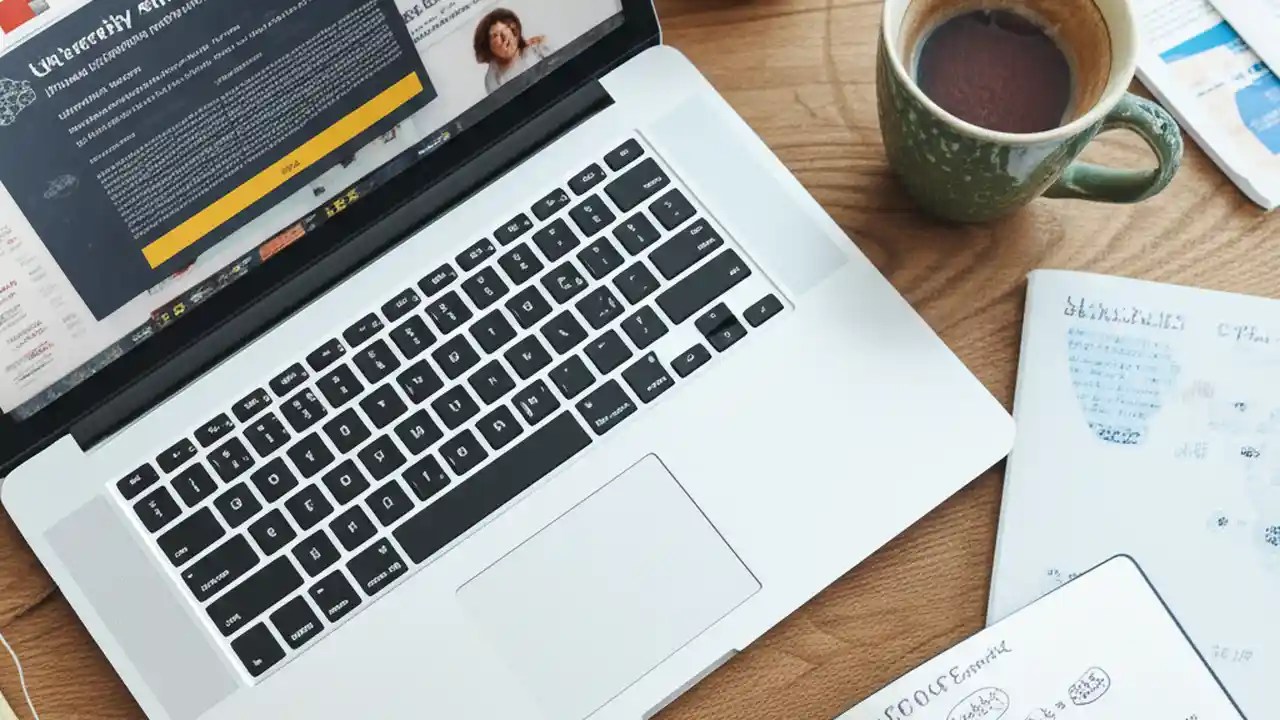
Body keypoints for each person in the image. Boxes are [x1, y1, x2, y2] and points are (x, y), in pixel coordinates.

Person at [474, 8, 554, 95]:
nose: (504, 38)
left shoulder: (537, 50)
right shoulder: (494, 77)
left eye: (509, 30)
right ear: (487, 46)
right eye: (495, 35)